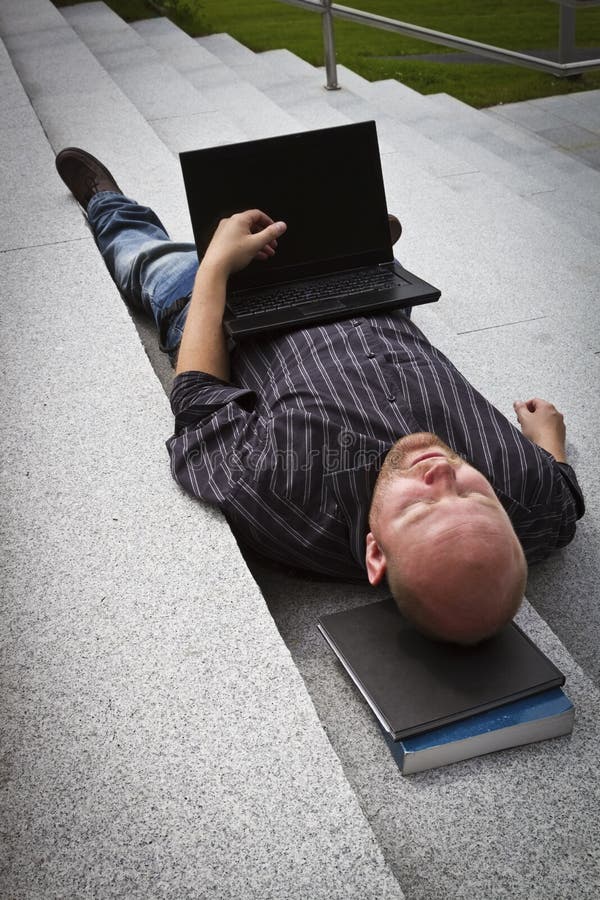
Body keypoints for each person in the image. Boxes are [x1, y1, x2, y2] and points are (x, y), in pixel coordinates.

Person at [55, 148, 585, 644]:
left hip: (231, 317)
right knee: (331, 210)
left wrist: (215, 266)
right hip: (368, 303)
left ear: (375, 553)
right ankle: (353, 250)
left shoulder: (283, 493)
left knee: (152, 260)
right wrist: (548, 442)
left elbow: (198, 392)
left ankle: (110, 206)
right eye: (474, 496)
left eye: (422, 508)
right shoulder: (531, 498)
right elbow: (561, 498)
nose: (442, 475)